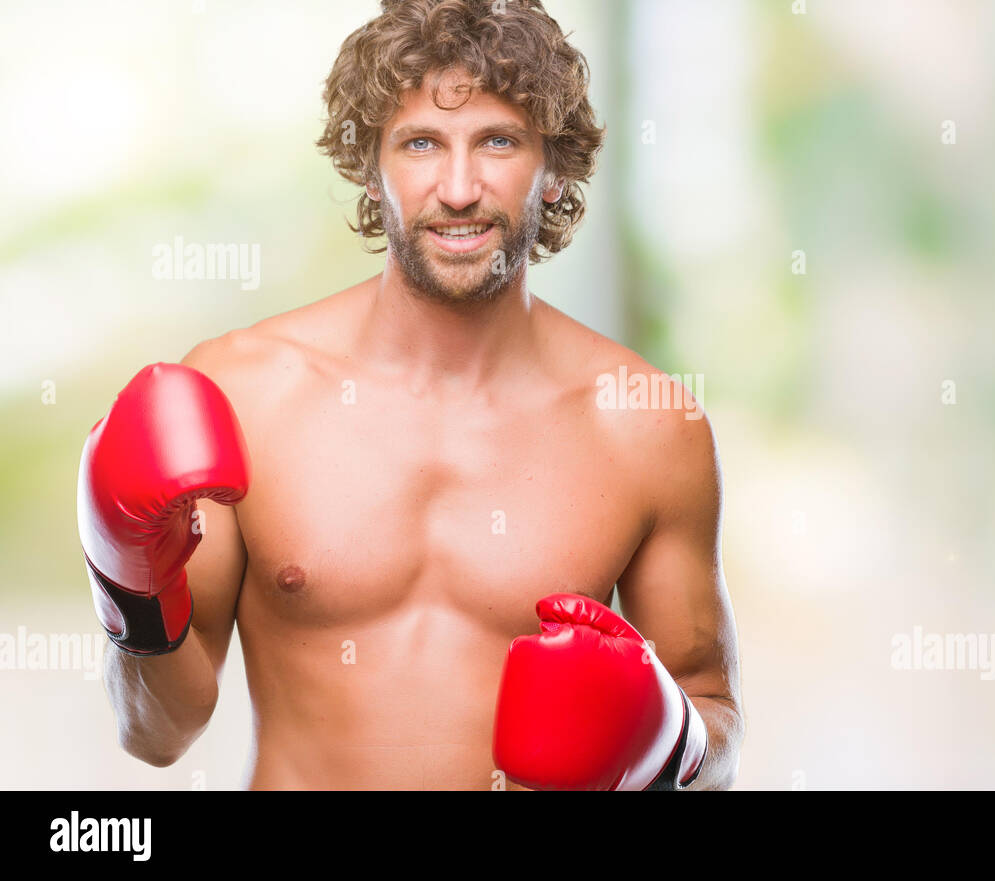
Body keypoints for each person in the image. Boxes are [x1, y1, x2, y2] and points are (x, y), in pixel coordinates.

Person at [76, 0, 743, 790]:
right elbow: (157, 737)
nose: (458, 188)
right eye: (421, 142)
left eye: (498, 141)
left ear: (555, 167)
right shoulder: (242, 392)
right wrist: (130, 586)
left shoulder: (647, 427)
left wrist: (665, 743)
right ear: (370, 163)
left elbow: (714, 725)